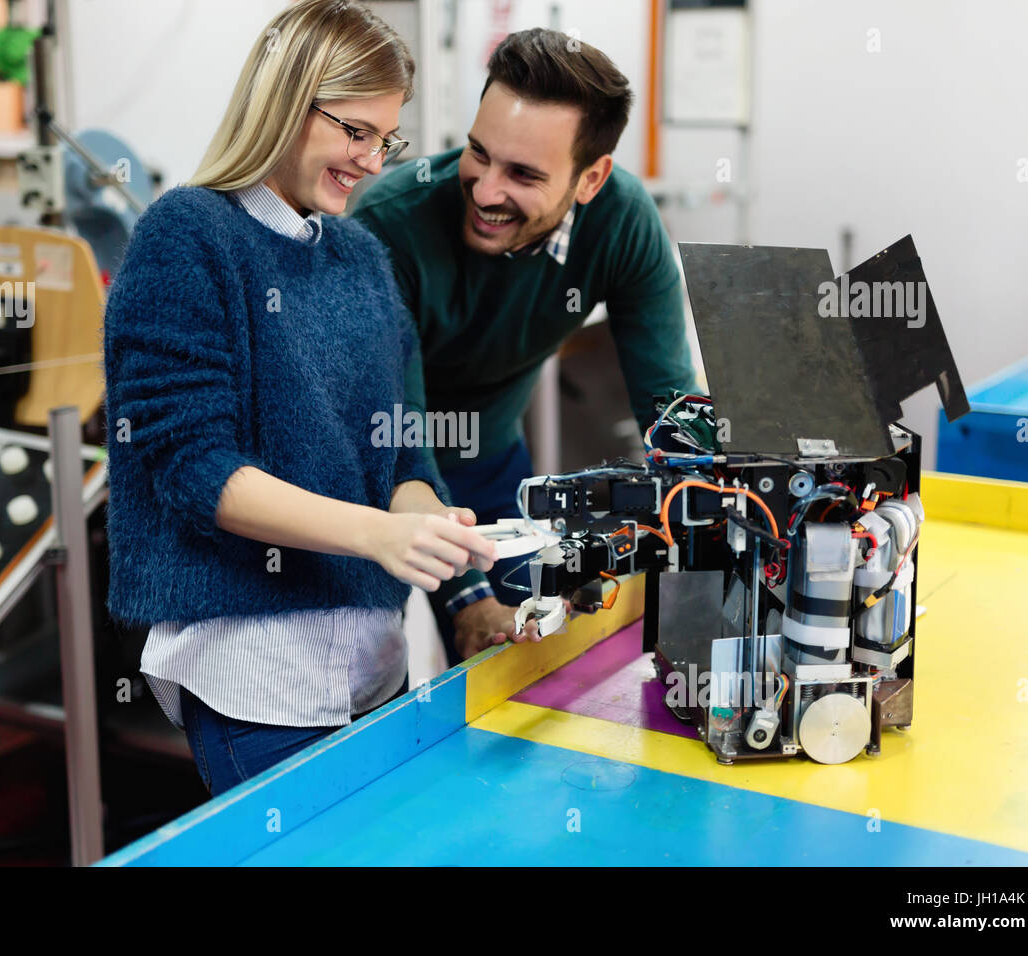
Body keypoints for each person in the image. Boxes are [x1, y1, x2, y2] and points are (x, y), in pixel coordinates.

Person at [103, 0, 497, 797]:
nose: (372, 159)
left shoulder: (359, 257)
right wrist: (374, 534)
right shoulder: (188, 236)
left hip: (374, 659)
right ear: (284, 100)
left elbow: (401, 452)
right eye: (355, 131)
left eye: (386, 138)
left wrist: (422, 520)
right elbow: (194, 469)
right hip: (256, 673)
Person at [353, 28, 697, 665]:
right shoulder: (388, 225)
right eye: (478, 153)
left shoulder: (623, 223)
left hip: (490, 465)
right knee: (367, 685)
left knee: (524, 660)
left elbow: (672, 413)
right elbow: (397, 439)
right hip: (372, 479)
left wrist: (711, 522)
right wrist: (467, 601)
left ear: (590, 178)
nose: (485, 191)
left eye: (522, 174)